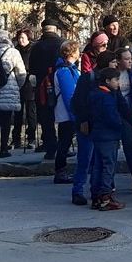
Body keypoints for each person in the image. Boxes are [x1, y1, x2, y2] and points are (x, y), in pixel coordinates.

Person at [68, 50, 118, 205]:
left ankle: (98, 191)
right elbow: (77, 101)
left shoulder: (110, 82)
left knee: (99, 161)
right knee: (85, 158)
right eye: (113, 62)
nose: (116, 64)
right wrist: (83, 121)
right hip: (87, 125)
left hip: (101, 127)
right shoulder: (88, 78)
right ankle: (78, 190)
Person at [88, 67, 132, 211]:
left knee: (98, 166)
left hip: (98, 134)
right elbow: (112, 117)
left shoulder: (95, 94)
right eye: (116, 80)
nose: (118, 83)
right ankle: (105, 197)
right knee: (108, 165)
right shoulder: (106, 97)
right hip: (108, 135)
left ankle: (96, 196)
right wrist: (121, 125)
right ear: (107, 81)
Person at [28, 20, 64, 156]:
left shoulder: (37, 47)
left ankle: (50, 145)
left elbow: (32, 68)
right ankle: (63, 145)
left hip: (42, 85)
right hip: (61, 83)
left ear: (43, 30)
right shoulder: (62, 44)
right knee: (63, 115)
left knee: (45, 116)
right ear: (55, 30)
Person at [52, 41, 83, 184]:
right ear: (72, 52)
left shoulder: (70, 69)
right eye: (77, 50)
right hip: (66, 114)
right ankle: (60, 171)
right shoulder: (64, 71)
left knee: (65, 142)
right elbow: (69, 95)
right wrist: (75, 115)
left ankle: (61, 171)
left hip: (68, 113)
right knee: (64, 143)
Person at [115, 48, 132, 189]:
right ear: (118, 61)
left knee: (130, 147)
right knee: (112, 149)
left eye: (130, 58)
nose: (130, 60)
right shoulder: (111, 74)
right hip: (114, 114)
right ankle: (108, 184)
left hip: (129, 115)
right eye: (126, 58)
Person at [13, 28, 37, 150]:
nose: (21, 40)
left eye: (23, 38)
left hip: (30, 83)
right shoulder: (15, 50)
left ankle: (31, 138)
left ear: (28, 38)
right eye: (19, 38)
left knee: (30, 113)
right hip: (18, 82)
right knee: (17, 113)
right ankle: (16, 138)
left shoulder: (34, 49)